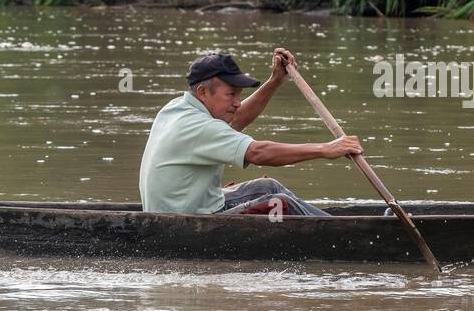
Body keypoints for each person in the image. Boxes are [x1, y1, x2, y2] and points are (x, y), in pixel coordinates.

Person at [138, 48, 362, 216]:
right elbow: (258, 153)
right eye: (231, 94)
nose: (237, 103)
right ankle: (347, 235)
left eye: (239, 95)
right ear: (203, 91)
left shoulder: (176, 108)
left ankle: (329, 222)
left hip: (184, 207)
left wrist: (275, 81)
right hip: (185, 220)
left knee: (267, 187)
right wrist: (326, 149)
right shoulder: (199, 126)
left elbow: (236, 119)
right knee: (279, 202)